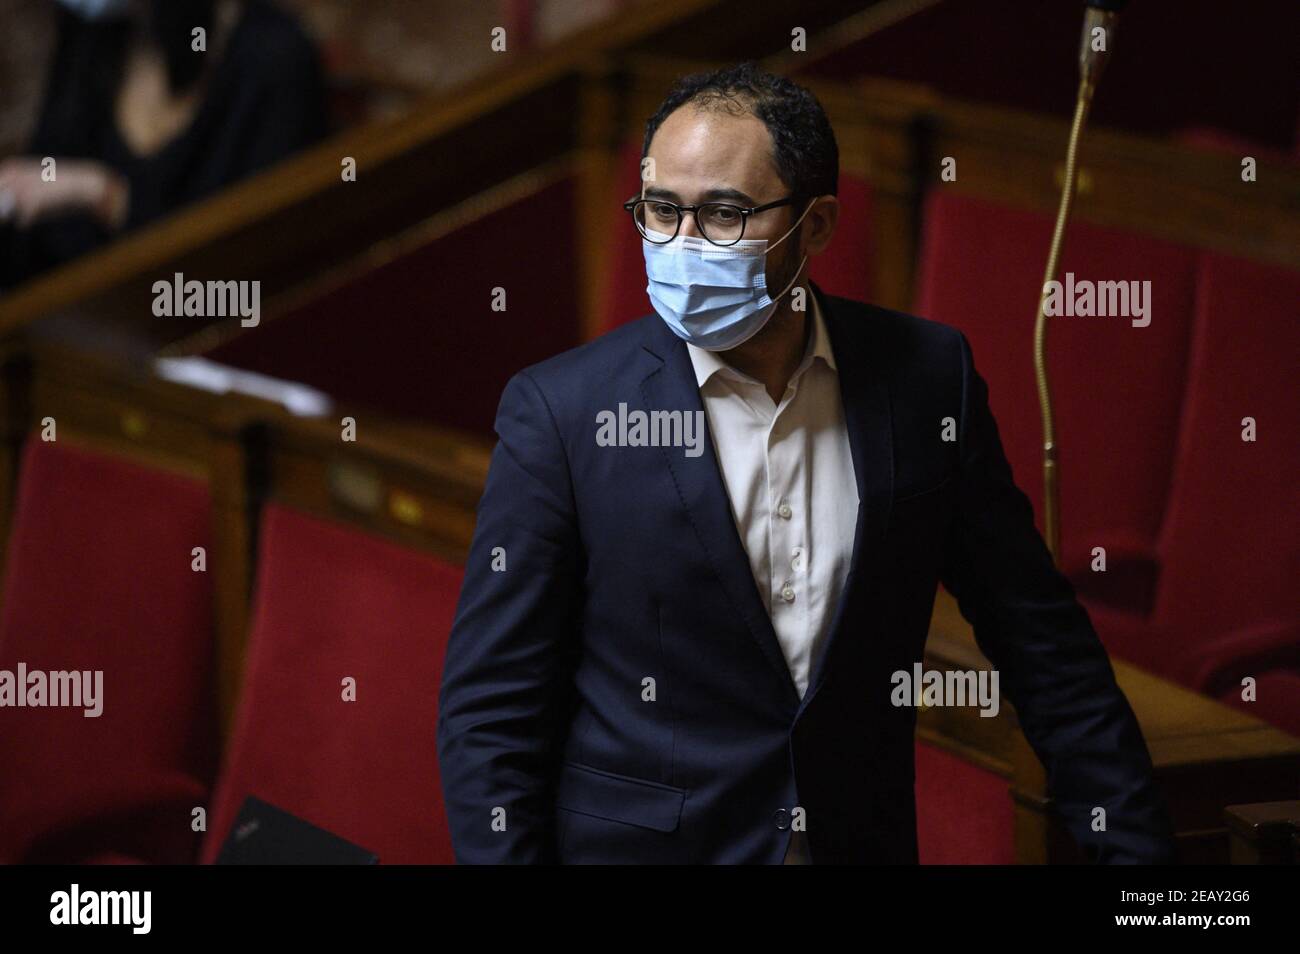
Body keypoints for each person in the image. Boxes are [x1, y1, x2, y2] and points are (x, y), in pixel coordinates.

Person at [436, 62, 1177, 864]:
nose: (681, 246)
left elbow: (1046, 652)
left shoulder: (929, 379)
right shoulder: (562, 413)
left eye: (724, 213)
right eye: (660, 211)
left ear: (816, 226)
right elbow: (491, 711)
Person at [0, 0, 326, 289]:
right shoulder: (96, 37)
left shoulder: (276, 60)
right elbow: (37, 237)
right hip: (78, 326)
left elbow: (240, 275)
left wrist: (106, 196)